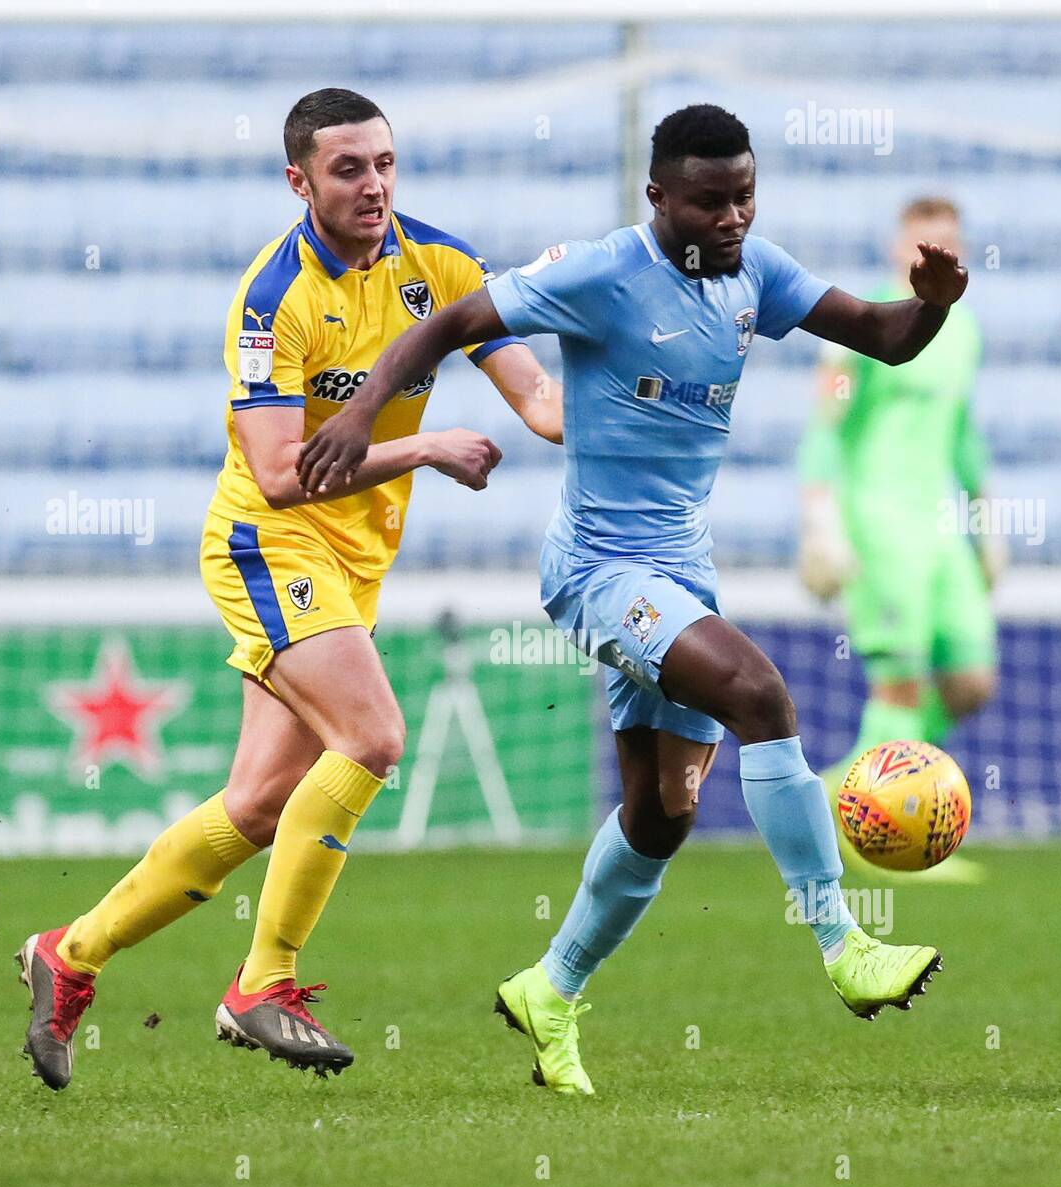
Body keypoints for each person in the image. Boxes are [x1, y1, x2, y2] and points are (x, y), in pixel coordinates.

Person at [296, 104, 967, 1096]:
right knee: (759, 695)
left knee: (664, 809)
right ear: (658, 197)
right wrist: (358, 415)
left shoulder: (756, 274)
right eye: (708, 200)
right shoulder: (602, 275)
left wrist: (933, 302)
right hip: (598, 571)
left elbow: (882, 335)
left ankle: (549, 985)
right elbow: (450, 321)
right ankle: (841, 943)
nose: (731, 215)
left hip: (679, 571)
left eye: (742, 195)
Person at [16, 87, 562, 1091]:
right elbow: (276, 474)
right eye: (348, 168)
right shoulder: (272, 300)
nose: (373, 184)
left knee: (261, 803)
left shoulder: (440, 265)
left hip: (352, 562)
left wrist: (624, 400)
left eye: (385, 164)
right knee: (374, 737)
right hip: (268, 544)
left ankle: (70, 954)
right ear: (299, 179)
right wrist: (426, 445)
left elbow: (535, 395)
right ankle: (261, 982)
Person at [797, 196, 1000, 812]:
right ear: (897, 250)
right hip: (877, 523)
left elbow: (962, 433)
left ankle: (842, 794)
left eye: (948, 246)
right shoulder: (864, 324)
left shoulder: (964, 329)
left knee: (969, 682)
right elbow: (825, 424)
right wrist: (821, 523)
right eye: (923, 246)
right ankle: (875, 819)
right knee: (901, 683)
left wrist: (985, 524)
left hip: (937, 527)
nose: (937, 257)